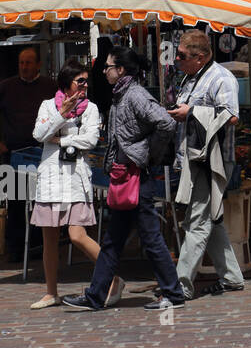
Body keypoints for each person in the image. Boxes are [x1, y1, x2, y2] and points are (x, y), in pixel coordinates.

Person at [63, 48, 186, 311]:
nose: (104, 71)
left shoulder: (135, 95)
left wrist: (145, 153)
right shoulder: (121, 95)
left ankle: (173, 294)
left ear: (121, 70)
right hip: (122, 177)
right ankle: (96, 296)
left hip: (136, 178)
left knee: (151, 240)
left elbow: (166, 123)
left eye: (108, 66)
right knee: (112, 242)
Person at [168, 31, 245, 299]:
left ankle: (180, 286)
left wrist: (191, 112)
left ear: (199, 58)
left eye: (182, 56)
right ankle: (232, 277)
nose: (176, 60)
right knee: (212, 217)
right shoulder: (191, 77)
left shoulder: (222, 78)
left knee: (197, 221)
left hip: (212, 159)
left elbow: (231, 116)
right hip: (194, 157)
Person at [29, 60, 105, 310]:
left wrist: (60, 140)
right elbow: (39, 135)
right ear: (67, 83)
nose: (84, 86)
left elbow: (91, 140)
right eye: (79, 81)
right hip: (51, 178)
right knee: (49, 239)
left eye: (86, 81)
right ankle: (51, 292)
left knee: (77, 235)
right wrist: (62, 114)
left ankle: (113, 278)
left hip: (75, 179)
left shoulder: (91, 109)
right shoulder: (48, 106)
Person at [0, 46, 60, 262]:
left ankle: (38, 246)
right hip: (15, 153)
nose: (24, 67)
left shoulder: (50, 87)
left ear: (38, 64)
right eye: (21, 63)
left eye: (28, 63)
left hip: (43, 153)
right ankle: (16, 248)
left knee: (41, 200)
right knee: (16, 201)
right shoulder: (6, 87)